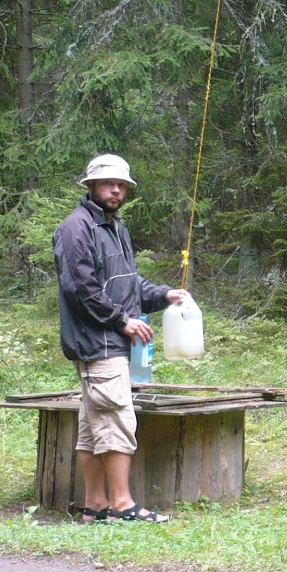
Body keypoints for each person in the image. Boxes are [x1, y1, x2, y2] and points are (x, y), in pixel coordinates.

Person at [54, 154, 188, 524]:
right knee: (117, 419)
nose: (117, 190)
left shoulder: (115, 229)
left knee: (92, 424)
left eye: (122, 185)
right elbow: (81, 289)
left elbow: (128, 285)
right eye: (109, 183)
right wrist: (121, 321)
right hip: (99, 342)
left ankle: (95, 505)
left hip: (109, 341)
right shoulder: (76, 228)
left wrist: (163, 295)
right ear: (91, 185)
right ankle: (122, 504)